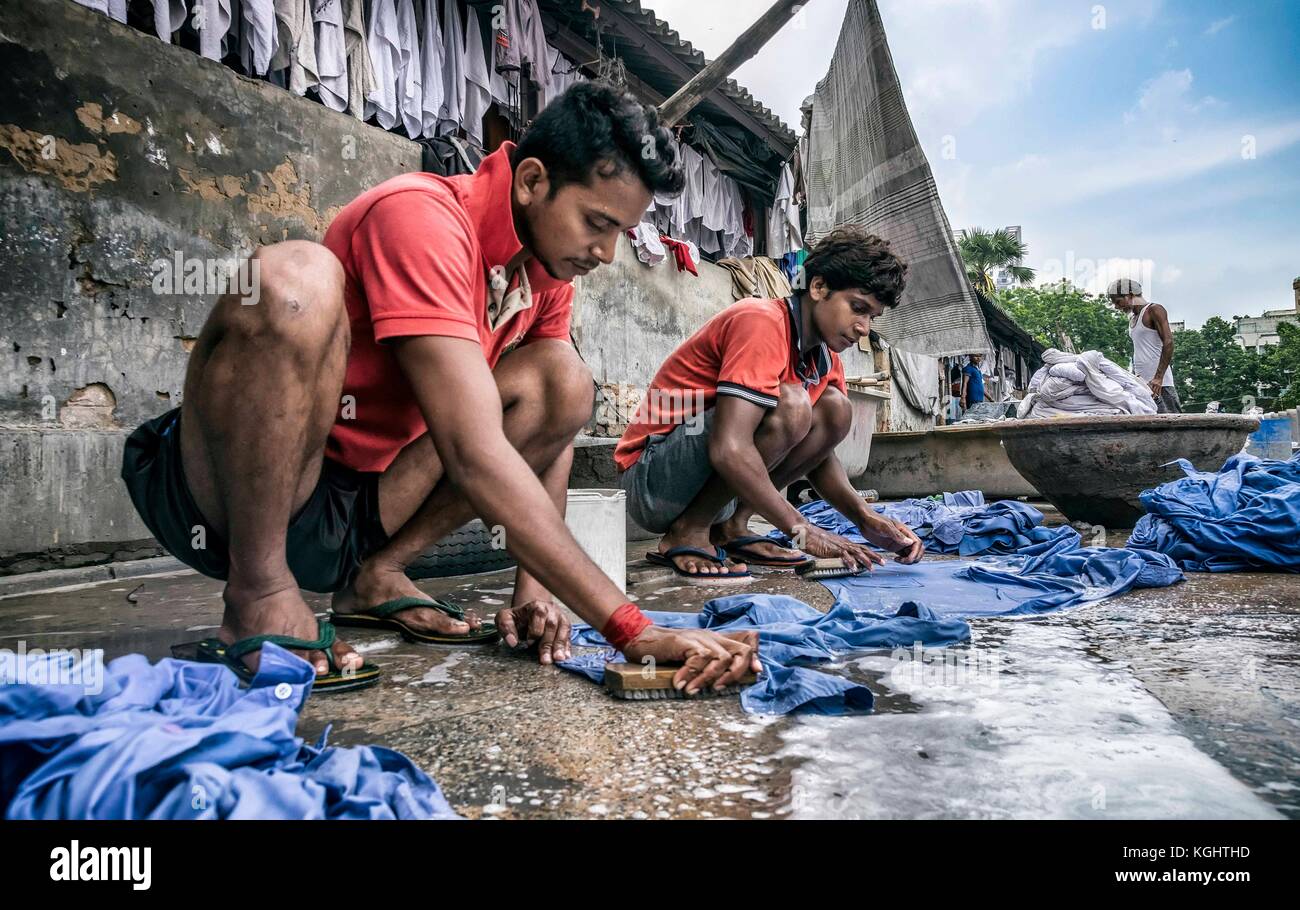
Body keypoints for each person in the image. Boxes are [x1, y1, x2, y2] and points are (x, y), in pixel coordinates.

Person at [121, 82, 760, 696]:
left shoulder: (545, 278)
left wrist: (534, 592)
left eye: (621, 231)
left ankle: (378, 576)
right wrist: (631, 628)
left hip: (361, 513)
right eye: (598, 222)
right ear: (533, 181)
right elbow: (472, 450)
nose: (608, 251)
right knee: (294, 278)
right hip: (233, 497)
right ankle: (258, 590)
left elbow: (553, 436)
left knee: (562, 380)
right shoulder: (419, 217)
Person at [614, 226, 924, 582]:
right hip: (651, 479)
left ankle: (732, 525)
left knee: (836, 409)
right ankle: (690, 529)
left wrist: (863, 517)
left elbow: (820, 457)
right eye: (857, 308)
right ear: (819, 287)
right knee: (791, 404)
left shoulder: (824, 359)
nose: (863, 328)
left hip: (701, 476)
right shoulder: (761, 321)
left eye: (872, 317)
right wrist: (803, 532)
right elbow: (729, 449)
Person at [1107, 277, 1181, 413]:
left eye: (1118, 302)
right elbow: (1140, 350)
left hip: (1160, 385)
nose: (1117, 307)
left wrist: (1158, 378)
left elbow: (1168, 342)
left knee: (1172, 425)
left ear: (1130, 295)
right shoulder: (1133, 318)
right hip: (1142, 385)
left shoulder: (1154, 310)